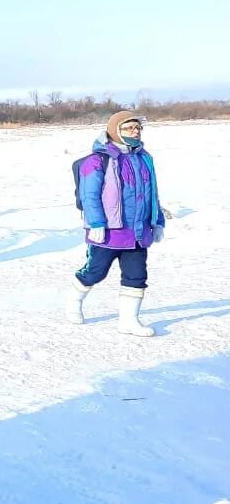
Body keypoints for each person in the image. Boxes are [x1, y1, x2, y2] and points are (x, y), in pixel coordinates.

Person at [67, 111, 165, 336]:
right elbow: (89, 195)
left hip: (138, 232)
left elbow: (152, 194)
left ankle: (129, 321)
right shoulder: (97, 160)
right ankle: (74, 301)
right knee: (95, 272)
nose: (135, 132)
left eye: (138, 128)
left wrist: (157, 221)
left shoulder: (145, 158)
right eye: (129, 128)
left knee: (136, 275)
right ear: (115, 131)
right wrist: (96, 223)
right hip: (107, 232)